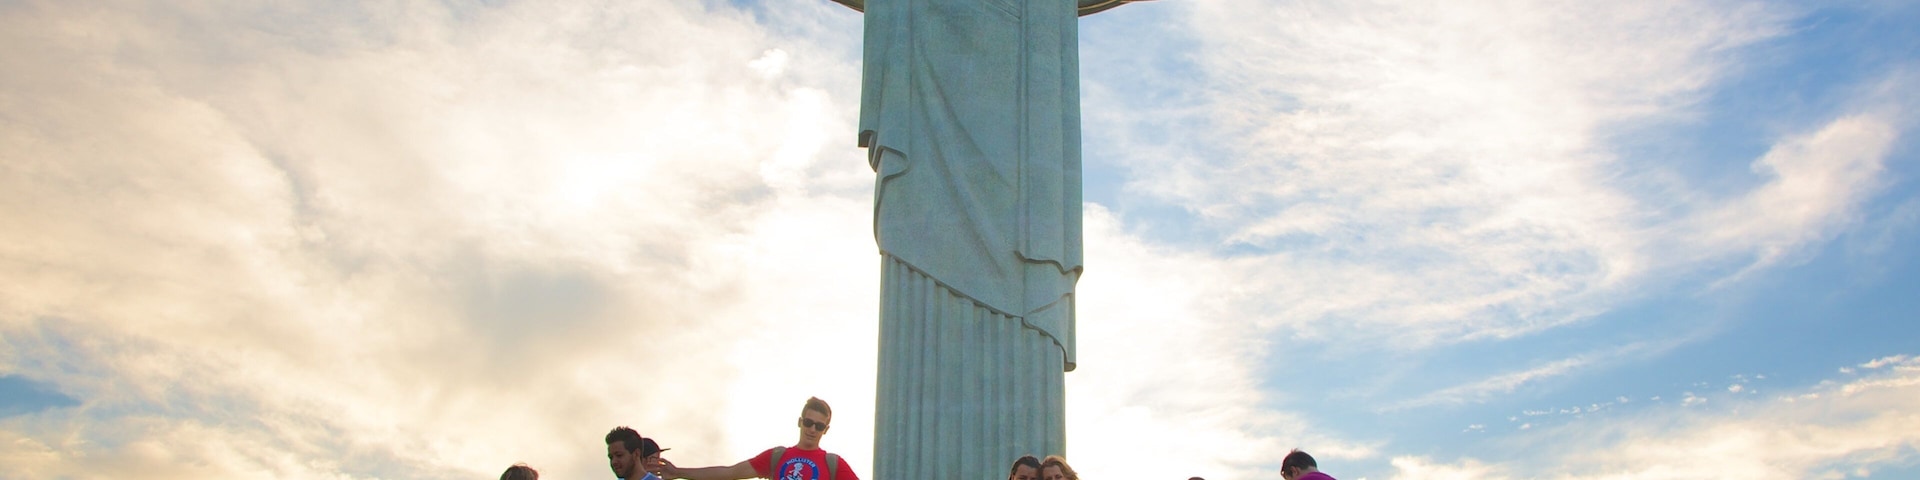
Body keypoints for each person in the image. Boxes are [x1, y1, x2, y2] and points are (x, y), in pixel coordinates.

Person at [659, 397, 859, 480]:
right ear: (800, 422)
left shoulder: (833, 463)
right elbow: (730, 472)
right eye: (808, 422)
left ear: (826, 429)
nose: (812, 429)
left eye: (819, 426)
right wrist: (677, 472)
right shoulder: (777, 456)